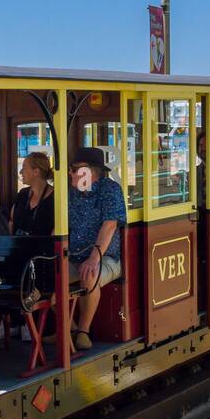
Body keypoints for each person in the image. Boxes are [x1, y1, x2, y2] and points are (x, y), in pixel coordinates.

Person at [65, 147, 125, 351]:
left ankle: (83, 332)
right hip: (74, 256)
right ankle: (68, 330)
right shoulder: (72, 193)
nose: (70, 173)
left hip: (107, 257)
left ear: (92, 171)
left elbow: (110, 225)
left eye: (75, 169)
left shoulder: (110, 190)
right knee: (47, 278)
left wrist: (94, 258)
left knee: (89, 274)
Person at [8, 151, 55, 236]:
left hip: (42, 248)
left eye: (24, 167)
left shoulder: (55, 199)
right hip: (18, 247)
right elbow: (11, 221)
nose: (21, 172)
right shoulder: (22, 194)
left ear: (36, 172)